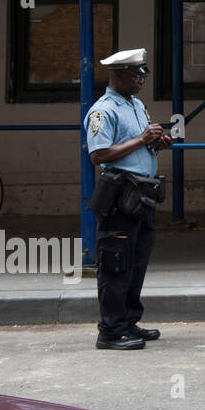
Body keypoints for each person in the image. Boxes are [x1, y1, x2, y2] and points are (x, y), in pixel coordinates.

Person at [83, 48, 174, 350]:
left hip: (141, 195)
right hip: (119, 195)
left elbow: (137, 146)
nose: (141, 80)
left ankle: (128, 322)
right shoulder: (103, 110)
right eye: (135, 75)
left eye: (143, 75)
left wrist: (156, 144)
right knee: (115, 263)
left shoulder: (135, 105)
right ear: (118, 75)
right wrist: (142, 139)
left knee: (136, 263)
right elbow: (98, 154)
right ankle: (110, 331)